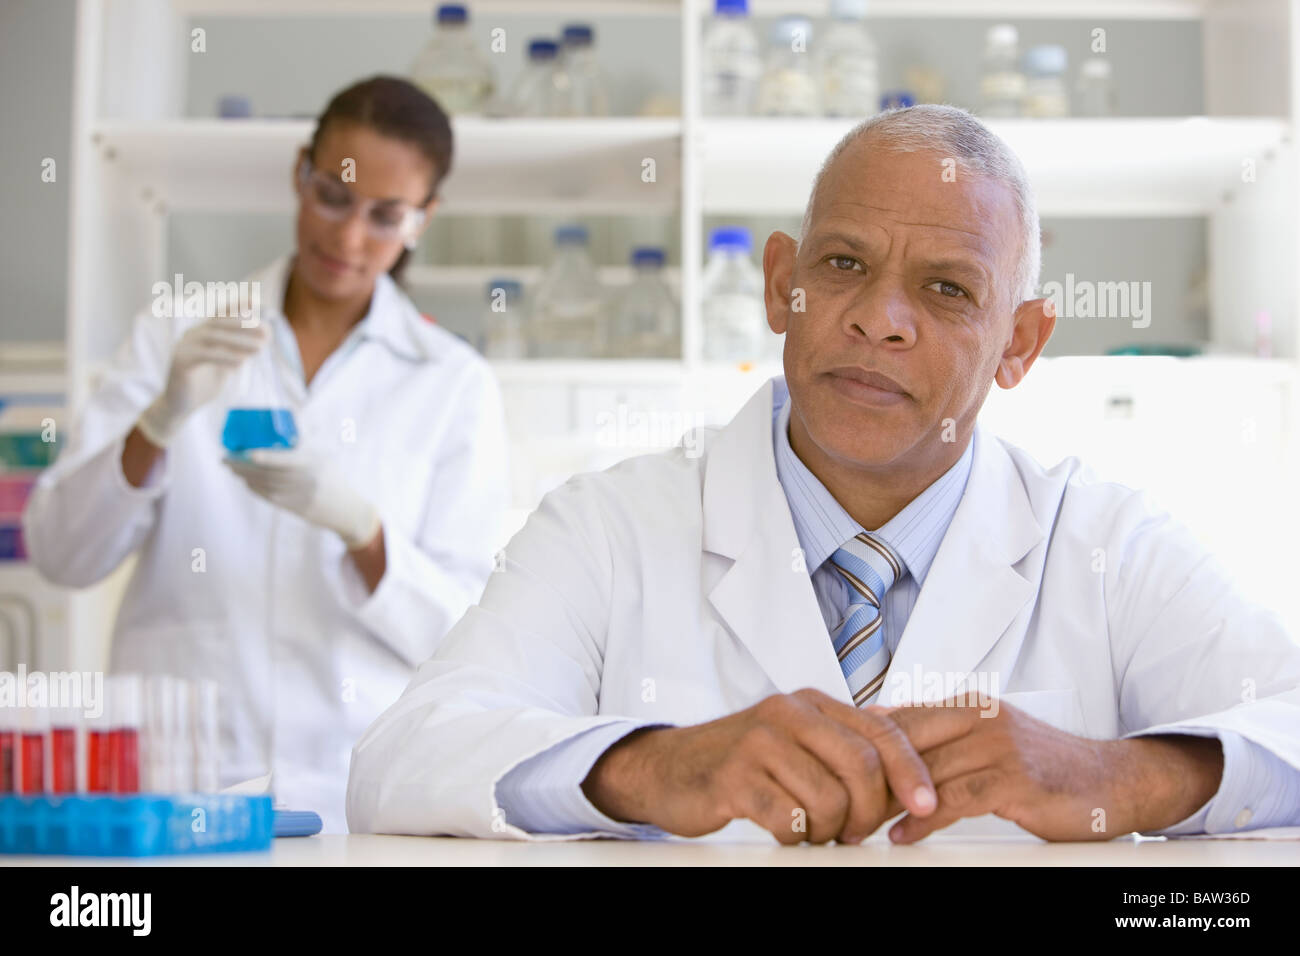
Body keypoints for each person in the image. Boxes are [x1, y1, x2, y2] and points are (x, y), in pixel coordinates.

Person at [346, 105, 1300, 845]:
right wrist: (652, 768)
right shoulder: (611, 527)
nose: (880, 318)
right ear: (780, 286)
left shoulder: (1106, 545)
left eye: (947, 288)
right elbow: (399, 759)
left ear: (1020, 342)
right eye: (843, 263)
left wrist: (1121, 776)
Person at [23, 76, 509, 832]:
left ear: (424, 219)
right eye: (333, 196)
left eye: (385, 216)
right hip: (184, 786)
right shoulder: (173, 338)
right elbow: (59, 552)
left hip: (361, 796)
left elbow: (468, 637)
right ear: (300, 173)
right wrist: (158, 422)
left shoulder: (453, 384)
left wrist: (363, 531)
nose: (349, 239)